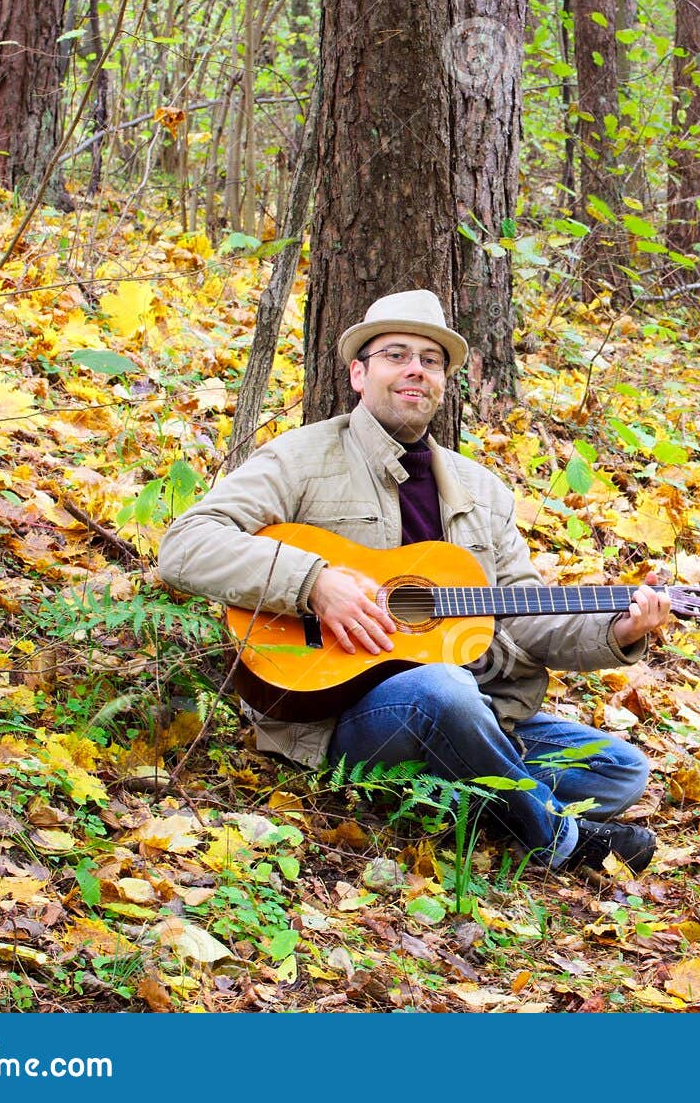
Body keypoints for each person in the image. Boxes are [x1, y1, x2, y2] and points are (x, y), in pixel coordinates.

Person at [157, 289, 671, 873]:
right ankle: (560, 838)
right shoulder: (300, 459)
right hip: (340, 718)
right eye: (395, 355)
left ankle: (439, 795)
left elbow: (525, 614)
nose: (414, 370)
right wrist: (314, 582)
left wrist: (618, 629)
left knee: (620, 768)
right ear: (359, 372)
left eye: (430, 360)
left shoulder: (482, 491)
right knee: (441, 689)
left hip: (485, 711)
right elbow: (186, 544)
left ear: (443, 382)